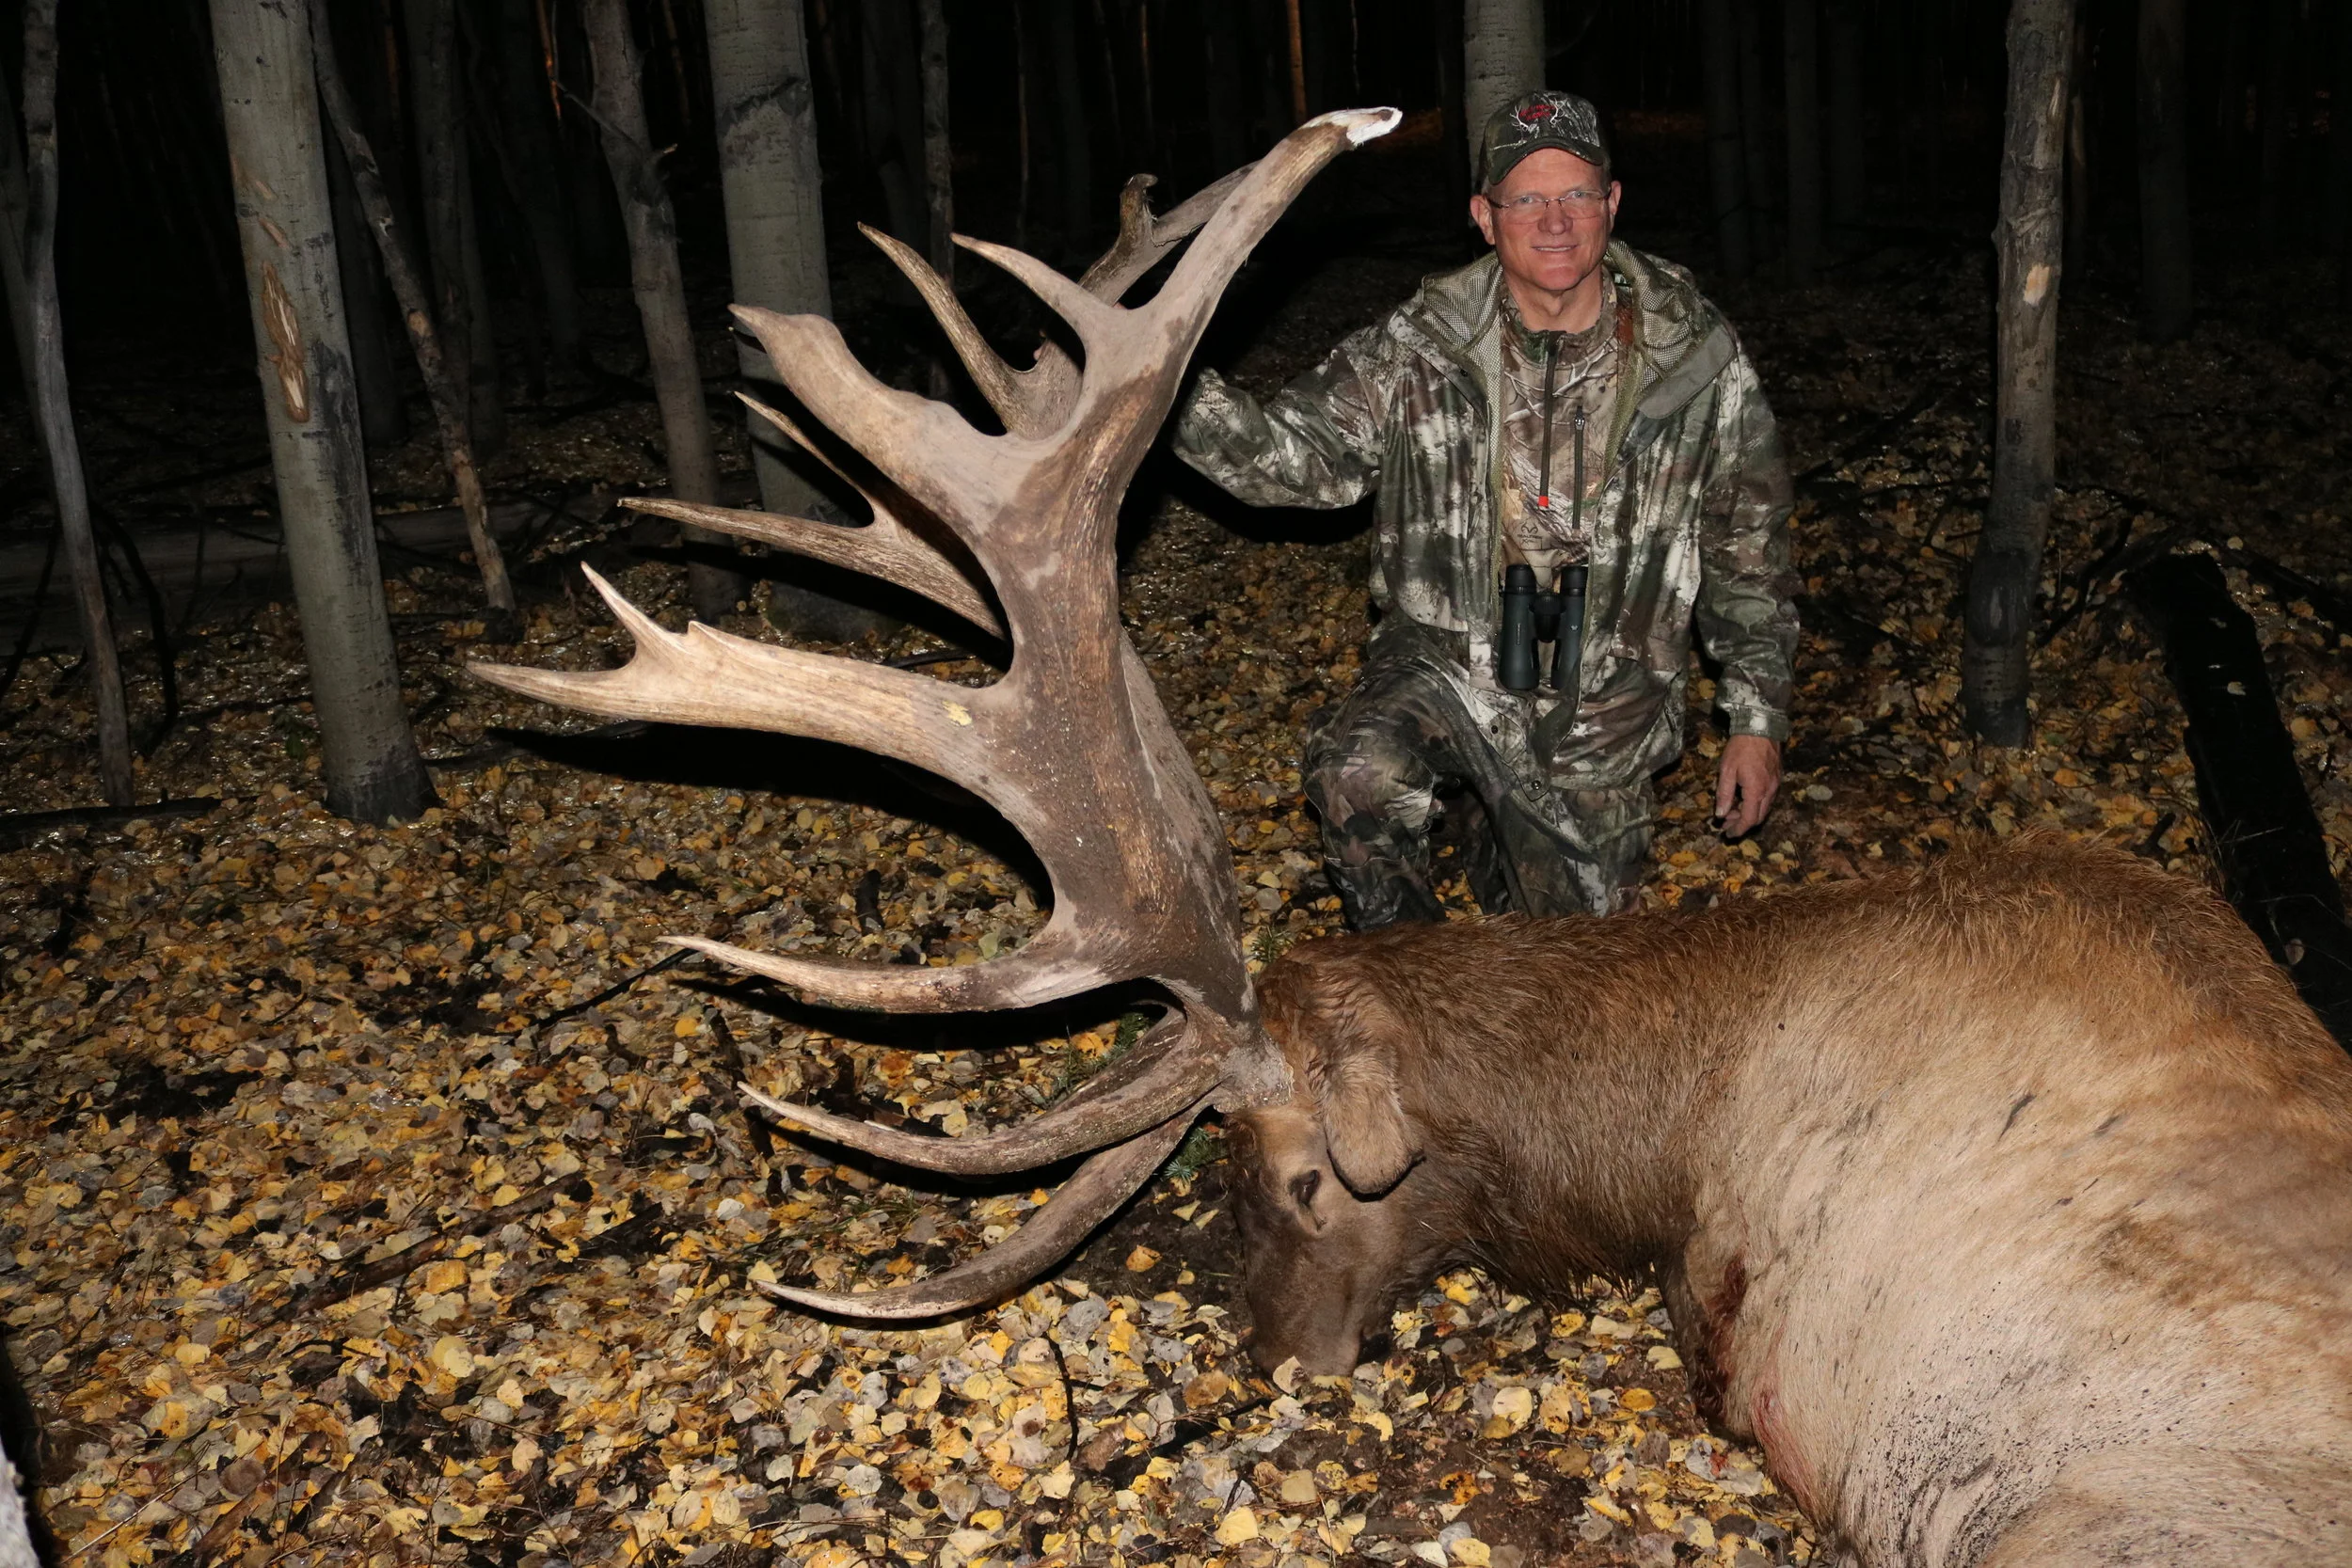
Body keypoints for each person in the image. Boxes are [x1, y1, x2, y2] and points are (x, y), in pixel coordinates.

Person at [1172, 90, 1798, 927]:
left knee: (1578, 974)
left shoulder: (1695, 354)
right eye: (1526, 199)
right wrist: (1166, 391)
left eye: (1576, 194)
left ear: (1612, 203)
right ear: (1483, 214)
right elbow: (1296, 461)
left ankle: (1490, 824)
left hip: (1604, 710)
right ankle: (1410, 986)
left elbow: (1746, 543)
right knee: (1358, 772)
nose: (1555, 221)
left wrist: (1758, 719)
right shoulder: (1419, 344)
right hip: (1449, 664)